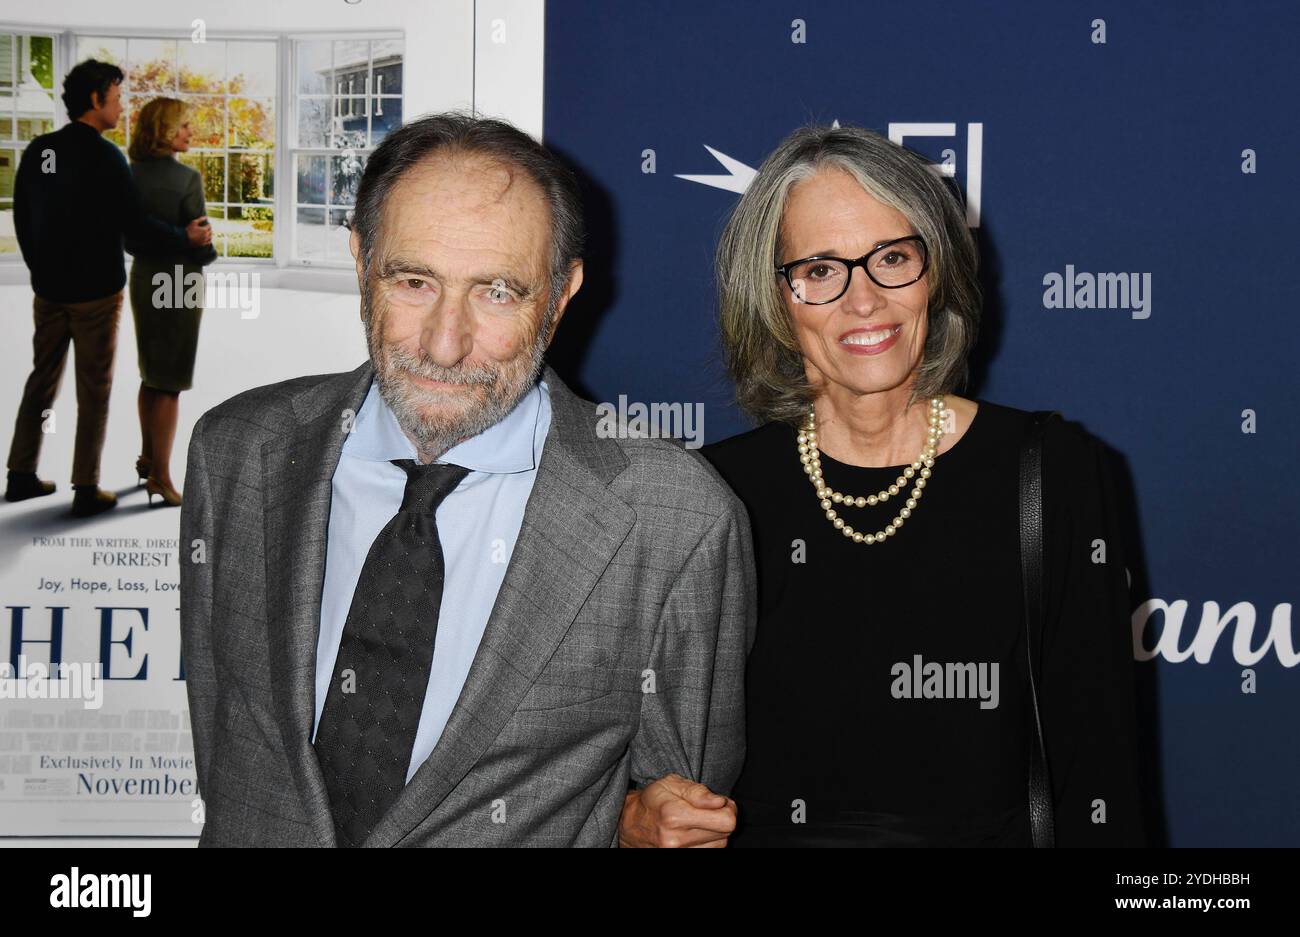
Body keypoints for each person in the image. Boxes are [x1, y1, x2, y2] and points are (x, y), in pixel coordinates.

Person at [178, 112, 755, 847]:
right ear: (360, 261)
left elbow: (680, 815)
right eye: (413, 281)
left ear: (562, 294)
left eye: (498, 292)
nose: (444, 344)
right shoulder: (236, 453)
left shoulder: (676, 518)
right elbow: (227, 753)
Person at [618, 124, 1145, 847]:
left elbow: (1101, 775)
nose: (863, 300)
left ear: (936, 271)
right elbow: (601, 758)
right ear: (775, 298)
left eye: (892, 257)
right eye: (820, 270)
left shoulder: (1053, 472)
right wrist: (629, 818)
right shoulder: (708, 494)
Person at [5, 60, 212, 517]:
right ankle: (86, 486)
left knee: (41, 379)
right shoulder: (106, 158)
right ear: (96, 100)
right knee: (93, 389)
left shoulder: (41, 150)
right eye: (116, 98)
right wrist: (185, 238)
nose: (121, 107)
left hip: (49, 291)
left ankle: (20, 474)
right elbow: (134, 224)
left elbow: (23, 216)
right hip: (97, 294)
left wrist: (40, 270)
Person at [126, 97, 217, 508]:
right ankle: (161, 477)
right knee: (170, 382)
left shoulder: (128, 176)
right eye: (182, 125)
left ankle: (148, 459)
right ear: (164, 130)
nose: (189, 132)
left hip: (145, 278)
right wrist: (203, 246)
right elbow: (200, 243)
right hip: (180, 282)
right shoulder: (186, 178)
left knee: (151, 374)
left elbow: (130, 237)